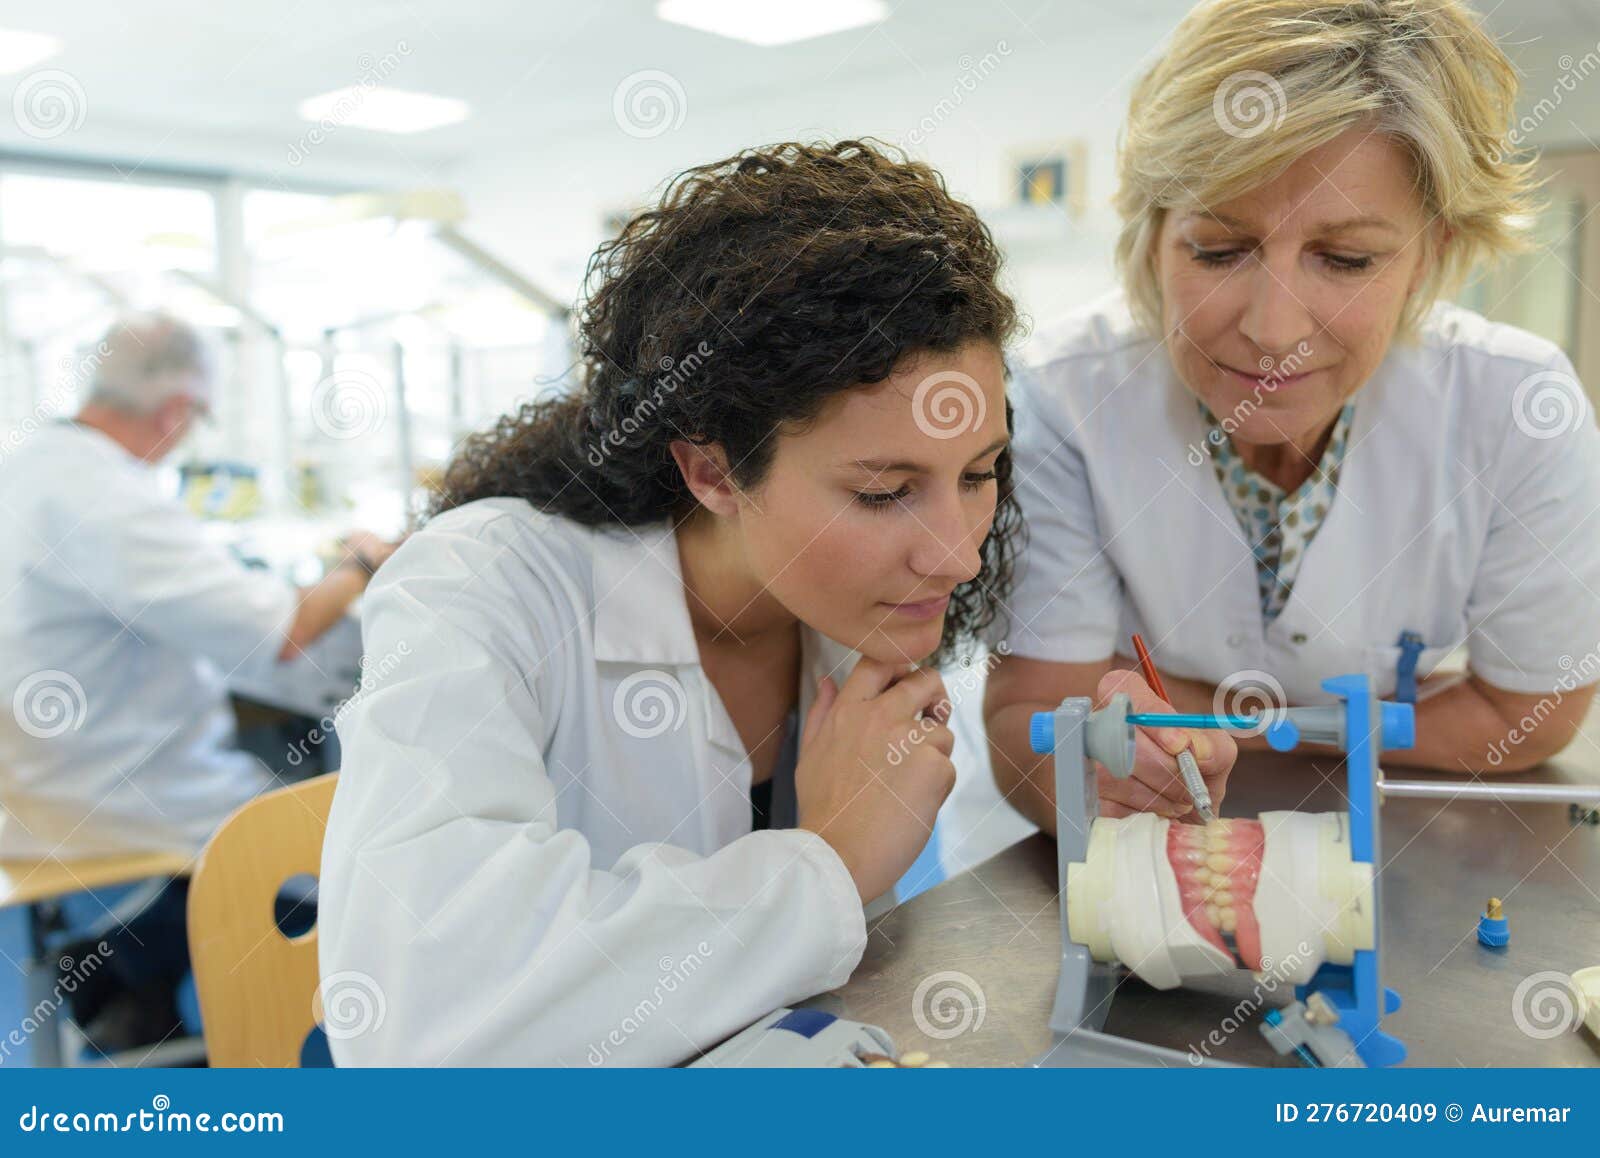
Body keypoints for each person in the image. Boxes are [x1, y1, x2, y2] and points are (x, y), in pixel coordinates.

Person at [318, 140, 1236, 1067]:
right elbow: (415, 1024)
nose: (959, 553)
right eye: (883, 492)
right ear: (711, 467)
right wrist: (823, 865)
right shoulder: (482, 589)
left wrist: (1104, 795)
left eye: (981, 473)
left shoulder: (852, 617)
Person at [984, 0, 1600, 833]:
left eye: (1346, 259)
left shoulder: (1520, 407)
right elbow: (1033, 725)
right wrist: (1380, 719)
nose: (1273, 332)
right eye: (1218, 249)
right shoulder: (1061, 395)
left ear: (1434, 254)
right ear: (1152, 234)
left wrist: (1210, 720)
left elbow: (1527, 718)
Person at [0, 312, 397, 1049]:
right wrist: (364, 560)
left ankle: (131, 976)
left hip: (38, 790)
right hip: (120, 798)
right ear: (177, 409)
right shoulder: (109, 495)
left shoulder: (30, 466)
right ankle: (186, 983)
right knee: (367, 852)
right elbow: (282, 636)